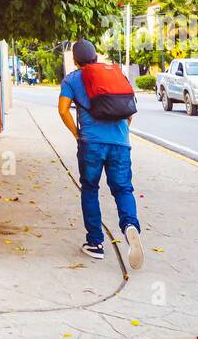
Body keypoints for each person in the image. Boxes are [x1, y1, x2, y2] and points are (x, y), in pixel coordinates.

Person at [58, 38, 144, 269]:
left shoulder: (72, 79)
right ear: (96, 57)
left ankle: (95, 243)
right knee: (123, 189)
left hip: (92, 144)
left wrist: (77, 133)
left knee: (90, 189)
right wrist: (121, 134)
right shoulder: (116, 75)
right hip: (120, 143)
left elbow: (63, 110)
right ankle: (130, 226)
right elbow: (129, 111)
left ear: (75, 60)